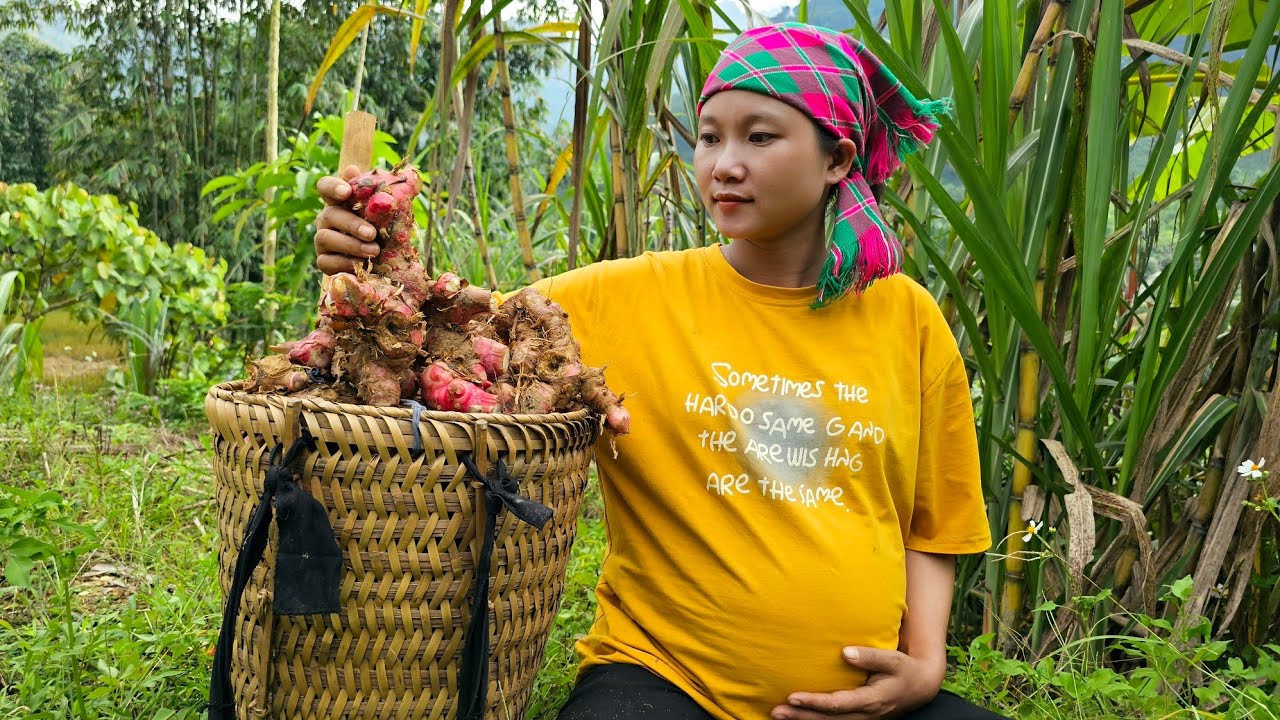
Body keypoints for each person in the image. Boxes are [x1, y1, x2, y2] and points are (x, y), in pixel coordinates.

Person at [313, 21, 1002, 720]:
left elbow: (933, 522)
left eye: (759, 137)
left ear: (837, 158)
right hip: (663, 681)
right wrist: (360, 257)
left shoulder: (906, 318)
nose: (723, 164)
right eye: (709, 136)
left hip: (868, 700)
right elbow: (443, 334)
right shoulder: (624, 297)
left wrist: (922, 667)